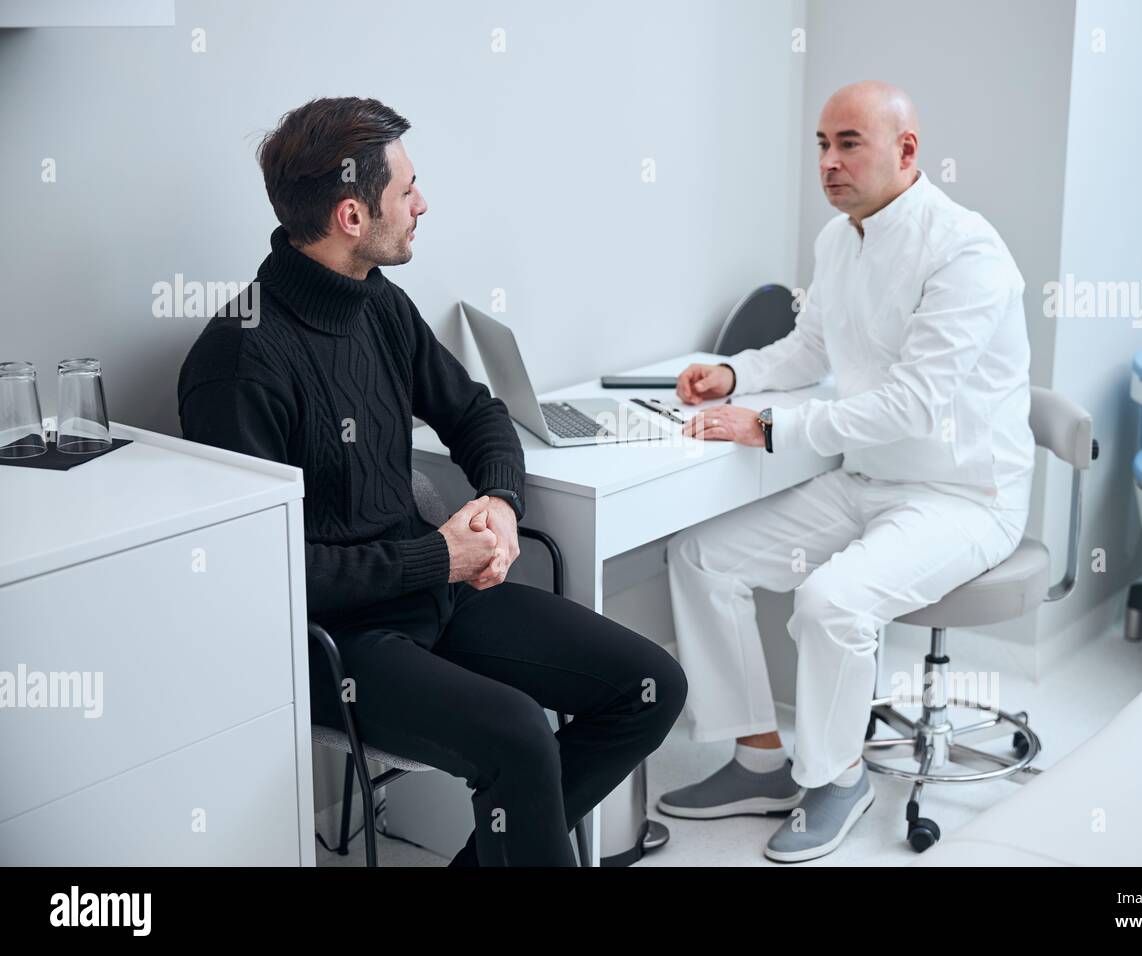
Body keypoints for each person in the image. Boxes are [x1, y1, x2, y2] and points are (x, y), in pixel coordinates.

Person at [177, 97, 686, 866]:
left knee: (650, 686)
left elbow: (477, 413)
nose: (423, 203)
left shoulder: (378, 304)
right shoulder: (239, 362)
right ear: (352, 215)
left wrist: (501, 504)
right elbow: (272, 574)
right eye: (407, 190)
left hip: (434, 600)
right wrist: (439, 558)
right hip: (337, 644)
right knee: (519, 736)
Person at [659, 81, 1034, 863]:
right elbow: (810, 350)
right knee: (701, 556)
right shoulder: (840, 241)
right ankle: (761, 761)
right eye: (822, 145)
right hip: (867, 480)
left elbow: (914, 404)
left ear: (906, 150)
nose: (828, 163)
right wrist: (735, 375)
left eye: (848, 144)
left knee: (829, 602)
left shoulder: (965, 250)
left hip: (961, 495)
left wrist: (769, 426)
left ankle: (837, 779)